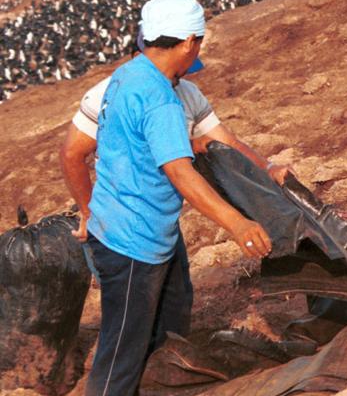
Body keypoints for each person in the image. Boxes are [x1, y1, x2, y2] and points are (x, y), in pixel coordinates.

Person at [62, 0, 273, 396]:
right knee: (122, 348)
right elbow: (181, 173)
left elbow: (209, 144)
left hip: (151, 228)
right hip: (131, 242)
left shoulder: (127, 76)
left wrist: (266, 169)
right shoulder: (160, 100)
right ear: (190, 43)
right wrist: (236, 222)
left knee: (173, 312)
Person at [61, 28, 290, 242]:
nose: (178, 74)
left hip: (163, 217)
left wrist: (268, 168)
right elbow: (72, 154)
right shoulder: (106, 94)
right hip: (121, 222)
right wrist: (88, 212)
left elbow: (227, 142)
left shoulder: (187, 92)